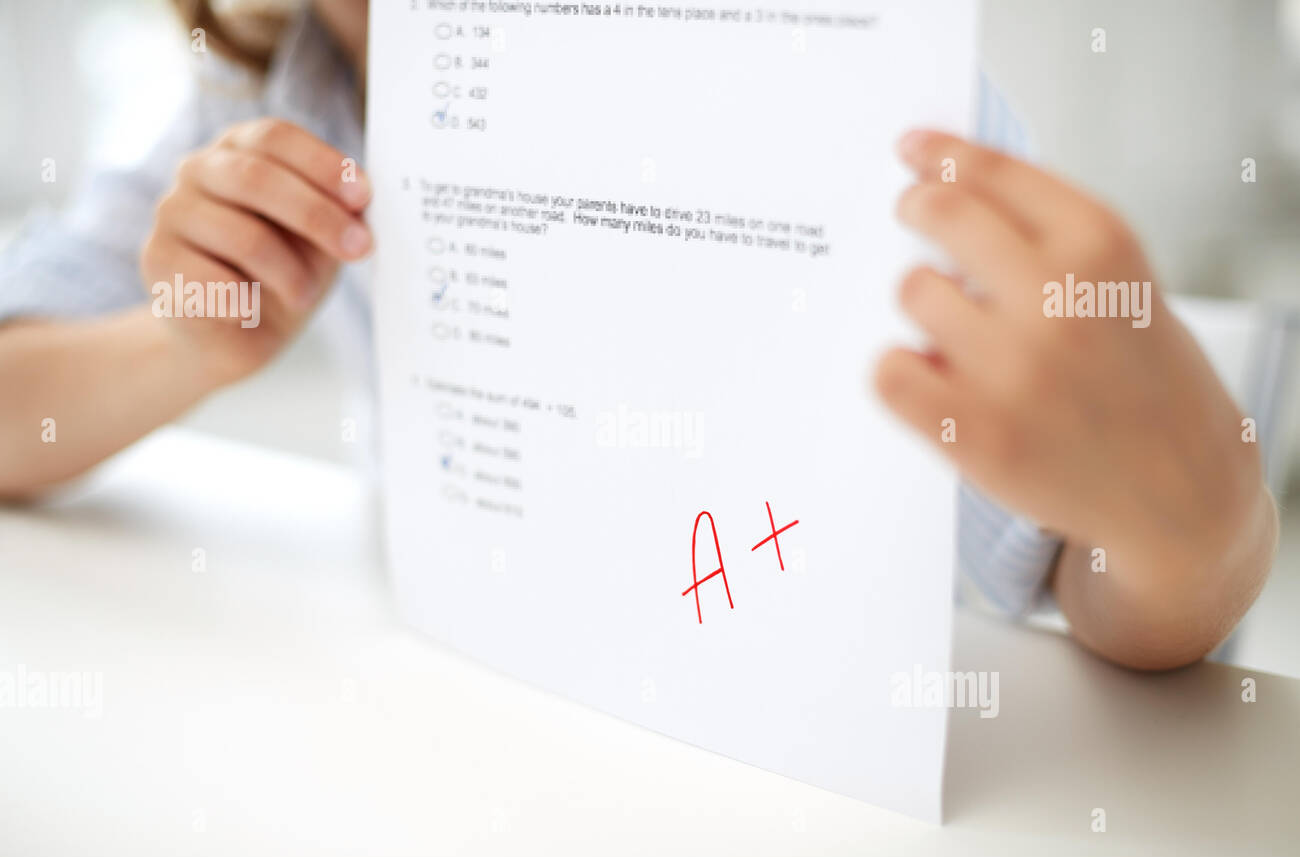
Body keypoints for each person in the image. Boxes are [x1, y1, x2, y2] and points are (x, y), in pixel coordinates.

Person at [0, 0, 1277, 671]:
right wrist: (183, 345)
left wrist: (1198, 525)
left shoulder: (798, 59)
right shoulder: (269, 85)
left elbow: (1087, 578)